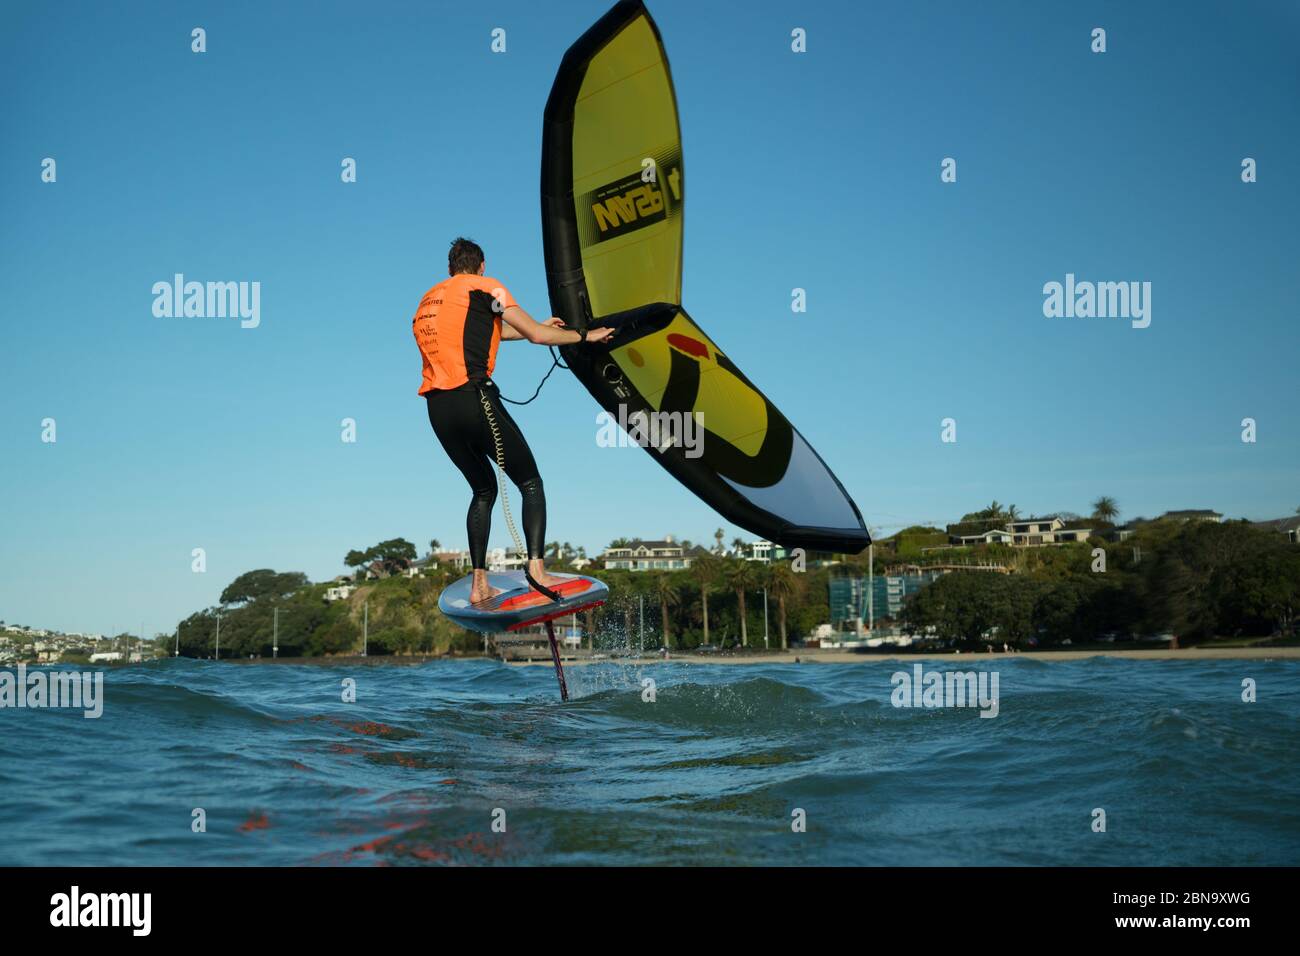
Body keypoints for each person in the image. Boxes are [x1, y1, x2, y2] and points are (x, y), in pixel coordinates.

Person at [414, 238, 613, 604]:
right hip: (475, 399)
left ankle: (479, 585)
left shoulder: (432, 298)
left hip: (438, 410)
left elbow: (487, 330)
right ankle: (537, 570)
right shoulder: (487, 287)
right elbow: (539, 336)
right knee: (530, 482)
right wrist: (586, 335)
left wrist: (531, 326)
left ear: (450, 268)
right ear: (482, 265)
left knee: (483, 490)